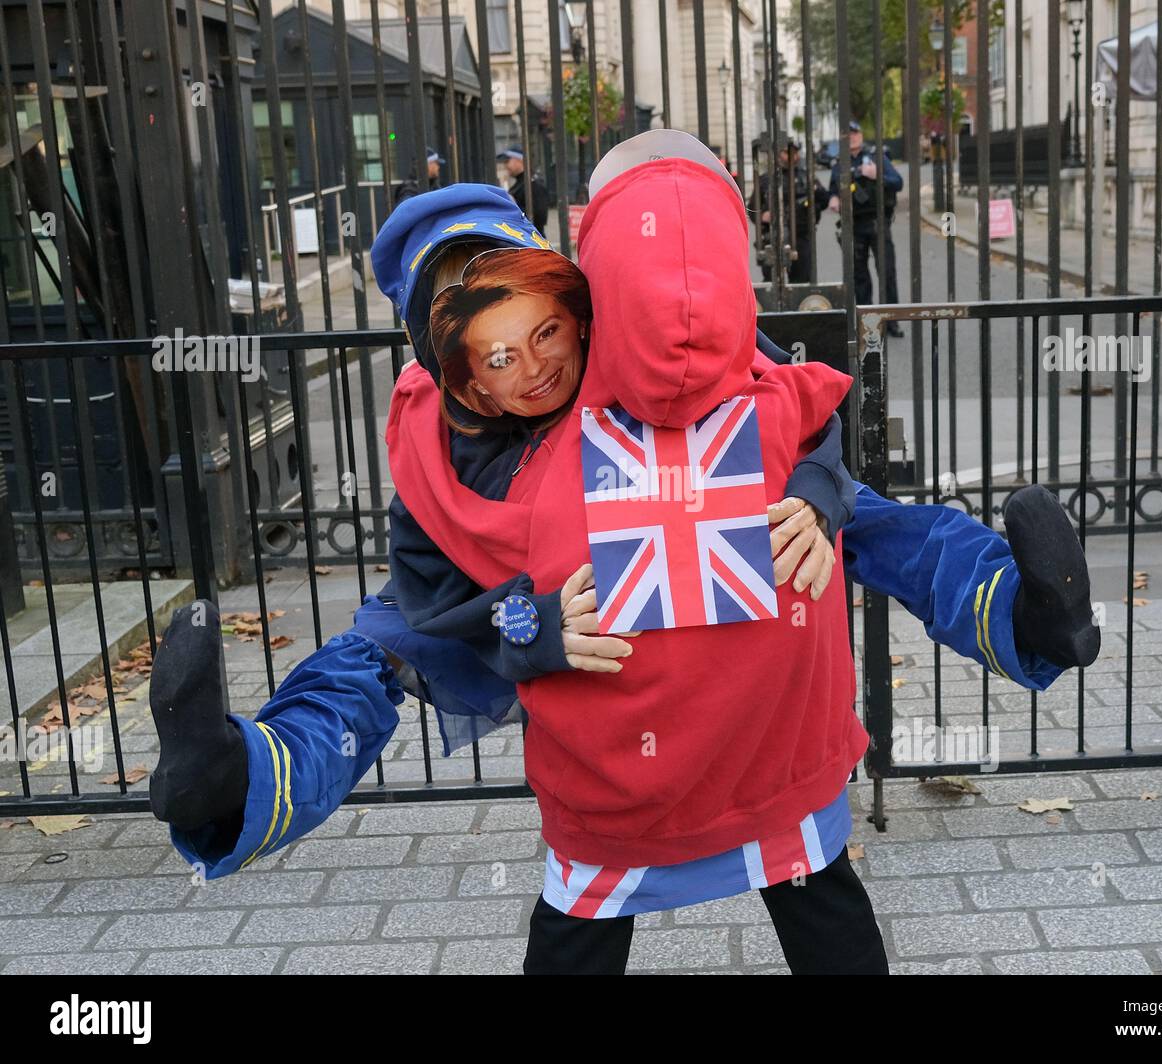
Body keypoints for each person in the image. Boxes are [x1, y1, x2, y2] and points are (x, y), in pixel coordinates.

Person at [148, 133, 1100, 973]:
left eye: (544, 326)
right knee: (373, 666)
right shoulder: (450, 470)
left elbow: (787, 403)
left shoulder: (647, 349)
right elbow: (430, 627)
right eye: (493, 356)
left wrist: (814, 488)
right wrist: (524, 625)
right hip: (605, 744)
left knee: (878, 536)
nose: (537, 367)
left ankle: (1024, 613)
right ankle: (240, 780)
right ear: (449, 365)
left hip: (759, 732)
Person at [829, 121, 904, 337]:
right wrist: (834, 199)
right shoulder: (840, 164)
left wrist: (876, 175)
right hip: (854, 225)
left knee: (887, 273)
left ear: (861, 135)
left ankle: (892, 321)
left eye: (855, 133)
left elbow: (898, 182)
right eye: (848, 133)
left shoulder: (876, 156)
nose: (852, 137)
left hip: (877, 223)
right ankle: (868, 323)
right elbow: (833, 190)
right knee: (860, 276)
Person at [751, 139, 828, 284]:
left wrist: (815, 192)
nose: (792, 156)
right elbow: (752, 208)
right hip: (772, 237)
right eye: (787, 153)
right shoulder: (766, 179)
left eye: (795, 153)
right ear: (779, 154)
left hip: (801, 236)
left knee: (801, 282)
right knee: (771, 283)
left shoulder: (807, 177)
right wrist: (762, 216)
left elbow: (824, 200)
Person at [498, 145, 550, 236]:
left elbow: (539, 217)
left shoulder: (533, 184)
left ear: (519, 160)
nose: (506, 165)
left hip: (531, 238)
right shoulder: (521, 183)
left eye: (508, 161)